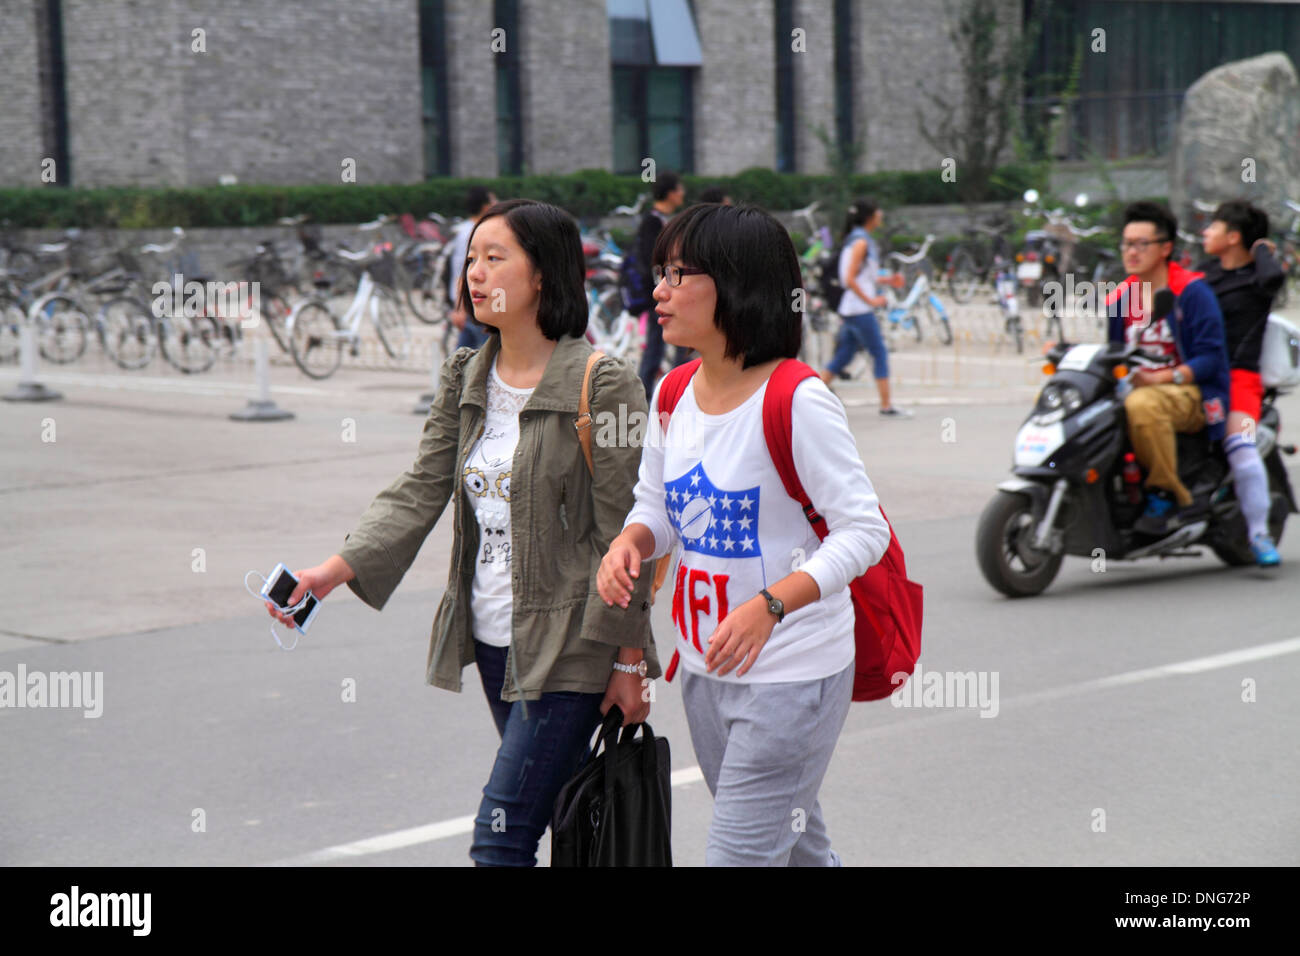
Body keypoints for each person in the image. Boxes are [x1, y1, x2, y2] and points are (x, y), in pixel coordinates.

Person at [268, 199, 659, 866]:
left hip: (571, 644)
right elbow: (421, 486)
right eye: (472, 258)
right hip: (495, 639)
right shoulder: (468, 375)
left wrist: (628, 661)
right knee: (564, 821)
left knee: (499, 840)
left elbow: (630, 529)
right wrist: (330, 573)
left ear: (543, 275)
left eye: (495, 258)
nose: (474, 273)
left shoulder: (603, 383)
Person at [597, 203, 892, 865]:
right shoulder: (672, 392)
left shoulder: (796, 398)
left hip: (793, 676)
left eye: (680, 274)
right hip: (706, 668)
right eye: (659, 273)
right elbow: (657, 509)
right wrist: (631, 544)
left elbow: (863, 530)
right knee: (794, 850)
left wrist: (771, 603)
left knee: (738, 855)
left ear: (736, 286)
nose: (659, 292)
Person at [1105, 201, 1230, 537]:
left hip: (1192, 390)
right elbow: (1113, 352)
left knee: (1143, 405)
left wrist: (1162, 377)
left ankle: (1165, 494)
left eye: (1140, 244)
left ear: (1165, 248)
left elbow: (1211, 359)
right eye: (1127, 244)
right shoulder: (1120, 297)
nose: (1131, 252)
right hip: (1138, 386)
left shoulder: (1191, 292)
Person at [1199, 199, 1284, 565]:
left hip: (1239, 380)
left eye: (1213, 227)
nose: (1205, 232)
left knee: (1242, 450)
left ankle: (1259, 534)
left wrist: (1262, 249)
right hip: (1197, 372)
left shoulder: (1258, 281)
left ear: (1233, 237)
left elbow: (1273, 278)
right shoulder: (1205, 275)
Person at [819, 198, 910, 416]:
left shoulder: (855, 239)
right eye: (878, 212)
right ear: (870, 217)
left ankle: (813, 396)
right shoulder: (861, 242)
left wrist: (888, 280)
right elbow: (849, 279)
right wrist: (872, 301)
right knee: (879, 352)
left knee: (844, 355)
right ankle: (886, 406)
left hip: (851, 309)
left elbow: (863, 277)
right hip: (860, 309)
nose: (881, 215)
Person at [635, 171, 689, 399]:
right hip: (659, 294)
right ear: (670, 193)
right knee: (656, 344)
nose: (683, 193)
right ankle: (644, 394)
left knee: (679, 341)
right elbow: (650, 258)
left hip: (673, 290)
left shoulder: (669, 220)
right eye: (679, 189)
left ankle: (678, 386)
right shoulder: (652, 222)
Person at [448, 186, 497, 350]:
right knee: (485, 353)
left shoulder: (472, 230)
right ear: (485, 207)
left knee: (463, 355)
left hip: (475, 301)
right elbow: (461, 271)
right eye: (493, 201)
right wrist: (460, 308)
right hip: (474, 302)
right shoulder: (471, 233)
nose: (497, 204)